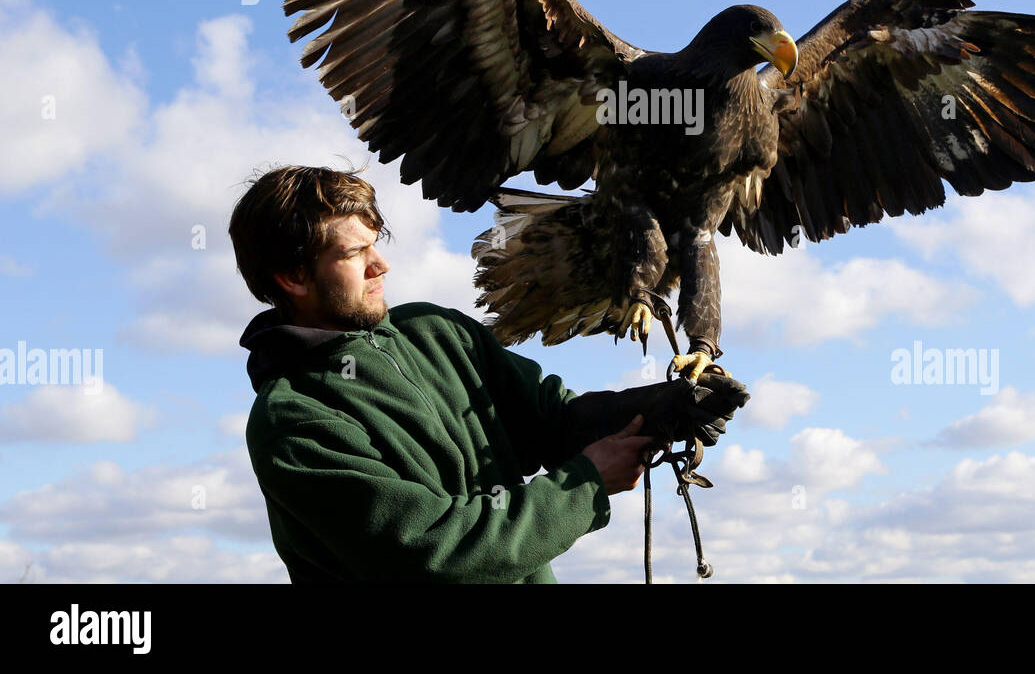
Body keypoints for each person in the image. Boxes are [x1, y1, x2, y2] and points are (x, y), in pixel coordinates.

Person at [230, 165, 748, 583]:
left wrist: (665, 409)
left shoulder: (435, 332)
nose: (380, 265)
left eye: (376, 243)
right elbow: (433, 552)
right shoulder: (293, 417)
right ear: (293, 277)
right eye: (353, 253)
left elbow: (554, 421)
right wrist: (584, 484)